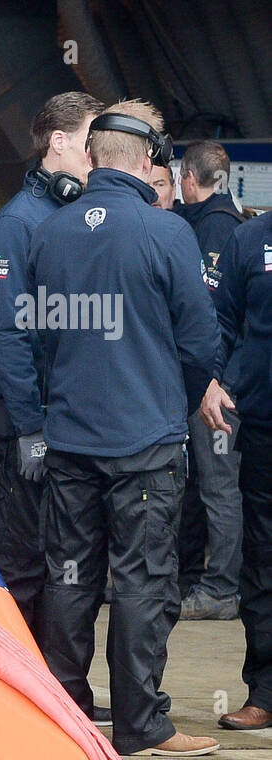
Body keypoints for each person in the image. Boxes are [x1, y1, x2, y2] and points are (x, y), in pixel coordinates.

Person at [28, 99, 219, 757]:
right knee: (142, 579)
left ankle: (65, 712)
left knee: (70, 577)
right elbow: (200, 342)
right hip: (145, 439)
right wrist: (178, 398)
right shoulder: (166, 233)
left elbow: (41, 338)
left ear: (91, 156)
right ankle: (142, 724)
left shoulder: (50, 232)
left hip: (72, 437)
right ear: (148, 160)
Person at [0, 91, 103, 652]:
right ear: (58, 142)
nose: (95, 158)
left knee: (69, 567)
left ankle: (61, 690)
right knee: (20, 565)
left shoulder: (75, 217)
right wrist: (30, 428)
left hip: (72, 420)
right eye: (87, 145)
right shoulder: (16, 226)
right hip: (26, 425)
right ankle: (16, 690)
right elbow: (9, 334)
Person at [200, 206, 272, 729]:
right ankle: (265, 693)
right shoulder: (249, 239)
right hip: (264, 424)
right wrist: (213, 380)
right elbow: (221, 320)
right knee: (263, 563)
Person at [175, 141, 246, 619]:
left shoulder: (216, 231)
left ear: (189, 178)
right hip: (213, 380)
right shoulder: (221, 226)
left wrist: (212, 380)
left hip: (217, 387)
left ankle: (221, 588)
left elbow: (214, 317)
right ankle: (202, 581)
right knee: (204, 485)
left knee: (220, 488)